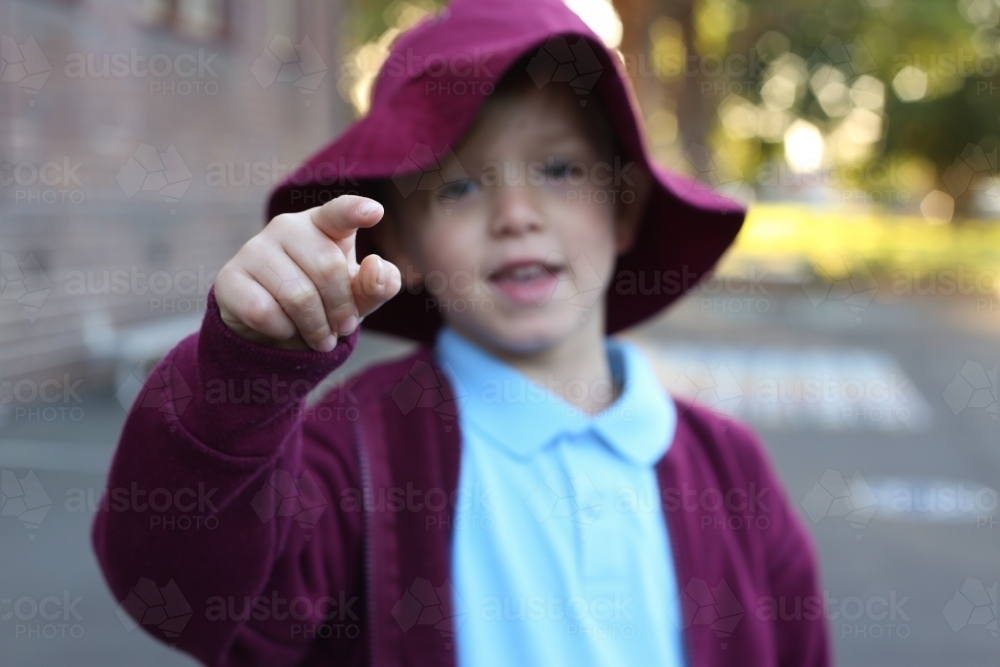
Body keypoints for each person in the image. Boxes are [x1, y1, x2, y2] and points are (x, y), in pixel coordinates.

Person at [93, 0, 830, 665]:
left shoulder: (731, 472)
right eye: (461, 186)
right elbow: (180, 593)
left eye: (559, 168)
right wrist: (244, 376)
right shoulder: (353, 452)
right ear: (402, 246)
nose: (515, 213)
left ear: (625, 207)